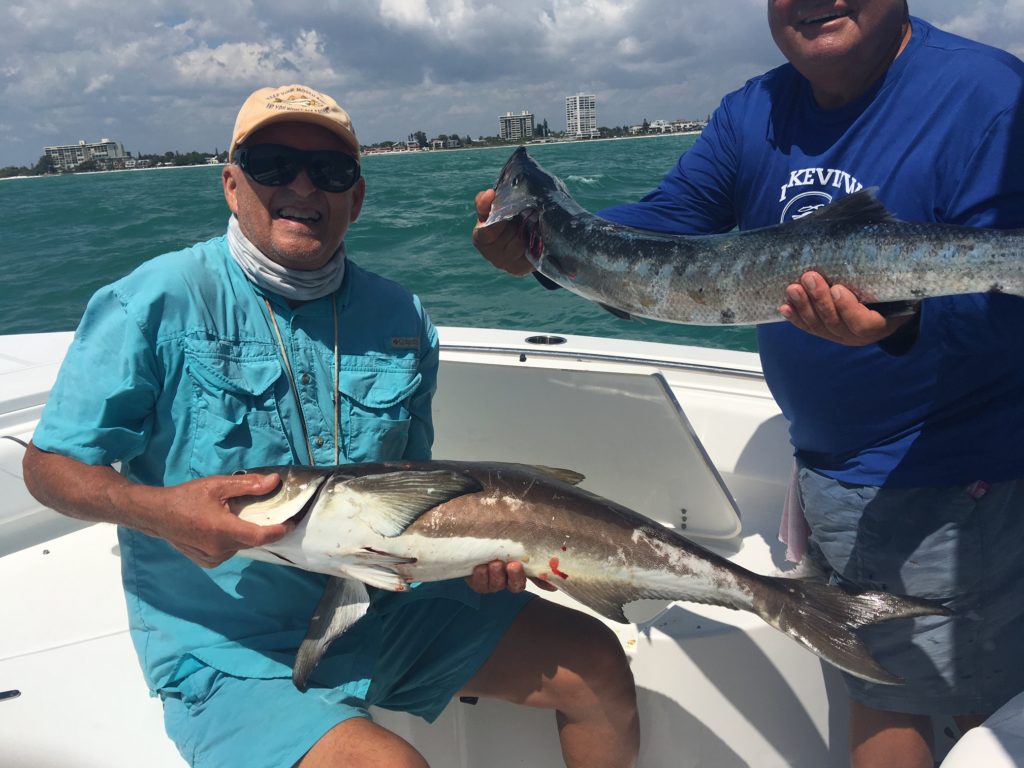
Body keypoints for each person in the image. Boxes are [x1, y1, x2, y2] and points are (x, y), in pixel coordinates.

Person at [22, 84, 639, 768]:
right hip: (225, 641)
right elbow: (49, 467)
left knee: (595, 664)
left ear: (358, 197)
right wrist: (161, 512)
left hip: (377, 604)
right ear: (232, 185)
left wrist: (476, 558)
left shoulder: (399, 316)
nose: (303, 186)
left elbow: (416, 488)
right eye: (273, 164)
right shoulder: (154, 302)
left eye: (331, 171)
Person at [472, 3, 1024, 767]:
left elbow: (1006, 302)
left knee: (933, 708)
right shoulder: (754, 110)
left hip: (946, 476)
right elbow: (665, 228)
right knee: (896, 689)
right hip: (830, 471)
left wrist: (900, 326)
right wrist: (541, 253)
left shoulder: (988, 95)